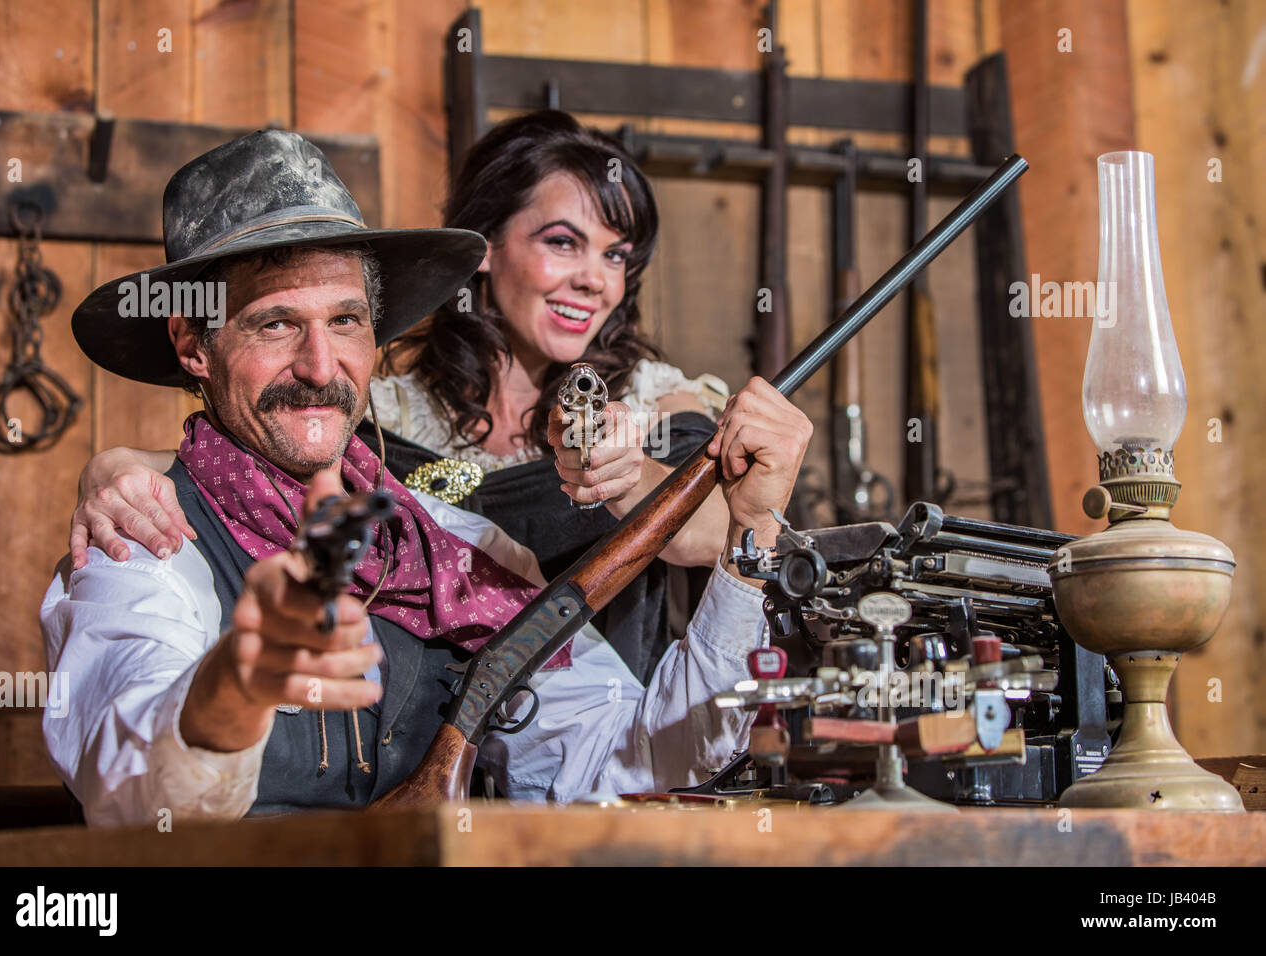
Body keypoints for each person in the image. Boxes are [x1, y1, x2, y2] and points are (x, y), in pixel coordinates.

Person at [41, 129, 813, 825]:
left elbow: (632, 758)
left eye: (345, 321)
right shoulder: (139, 538)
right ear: (193, 346)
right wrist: (229, 694)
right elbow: (131, 791)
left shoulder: (455, 546)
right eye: (276, 323)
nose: (319, 366)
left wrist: (753, 532)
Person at [68, 111, 731, 685]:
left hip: (604, 729)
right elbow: (248, 469)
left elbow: (721, 534)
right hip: (425, 740)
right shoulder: (384, 411)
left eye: (618, 256)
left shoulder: (657, 401)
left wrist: (630, 475)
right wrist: (118, 465)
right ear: (485, 249)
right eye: (563, 243)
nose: (594, 280)